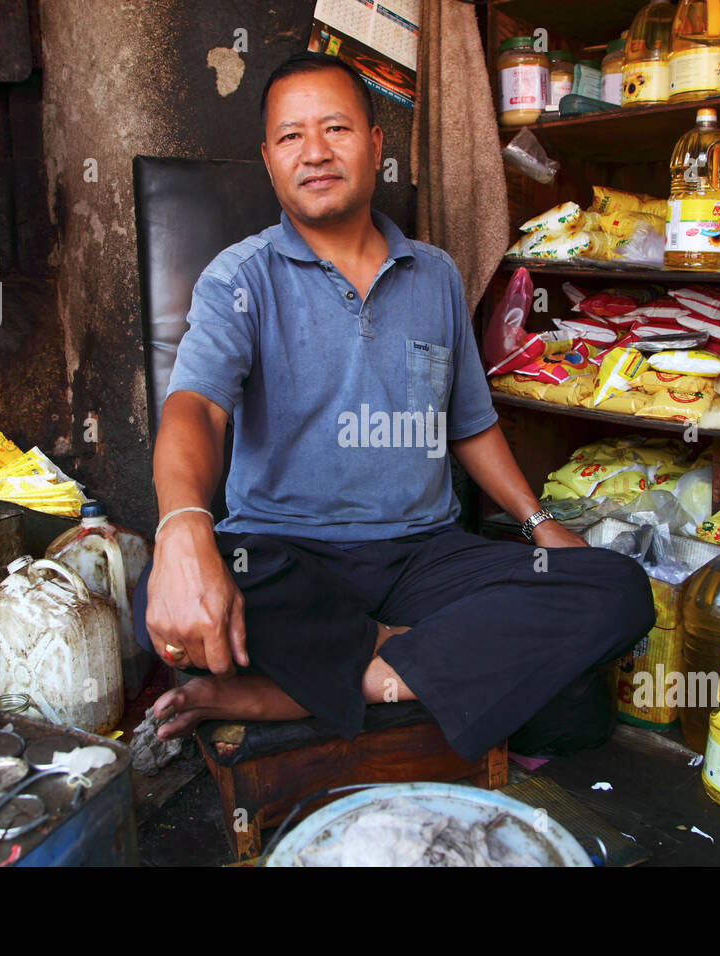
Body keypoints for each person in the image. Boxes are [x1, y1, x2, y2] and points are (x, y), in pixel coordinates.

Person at [135, 51, 653, 762]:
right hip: (288, 557)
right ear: (267, 158)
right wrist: (183, 532)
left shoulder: (434, 274)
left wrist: (539, 525)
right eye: (291, 136)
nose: (314, 152)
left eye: (336, 128)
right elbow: (195, 409)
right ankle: (417, 668)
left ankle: (301, 690)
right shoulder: (239, 278)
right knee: (154, 600)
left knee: (615, 586)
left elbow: (469, 422)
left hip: (423, 561)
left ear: (378, 145)